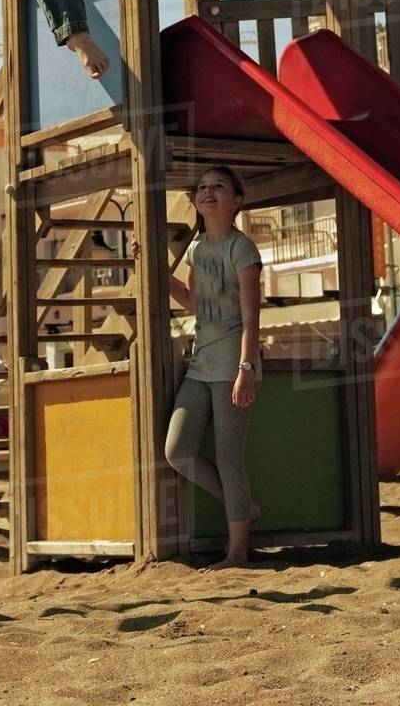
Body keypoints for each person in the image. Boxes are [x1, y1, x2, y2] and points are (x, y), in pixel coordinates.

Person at [152, 166, 263, 570]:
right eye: (201, 187)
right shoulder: (198, 248)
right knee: (177, 451)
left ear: (236, 201)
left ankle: (237, 553)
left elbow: (252, 318)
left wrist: (246, 368)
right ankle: (243, 507)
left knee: (229, 457)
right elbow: (194, 302)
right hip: (200, 365)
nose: (207, 192)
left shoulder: (242, 249)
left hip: (234, 364)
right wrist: (155, 270)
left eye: (218, 186)